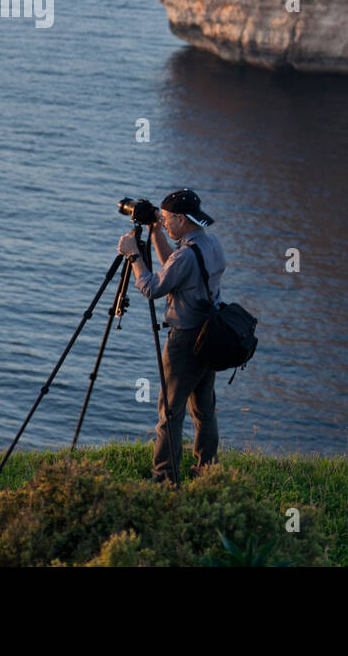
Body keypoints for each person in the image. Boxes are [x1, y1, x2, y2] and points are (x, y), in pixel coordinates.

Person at [118, 188, 227, 485]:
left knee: (170, 412)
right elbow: (174, 268)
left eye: (167, 219)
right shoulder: (210, 243)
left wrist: (134, 255)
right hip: (210, 336)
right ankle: (208, 469)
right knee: (204, 409)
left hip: (185, 342)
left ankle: (165, 477)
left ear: (181, 219)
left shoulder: (185, 257)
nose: (164, 223)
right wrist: (154, 231)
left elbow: (154, 287)